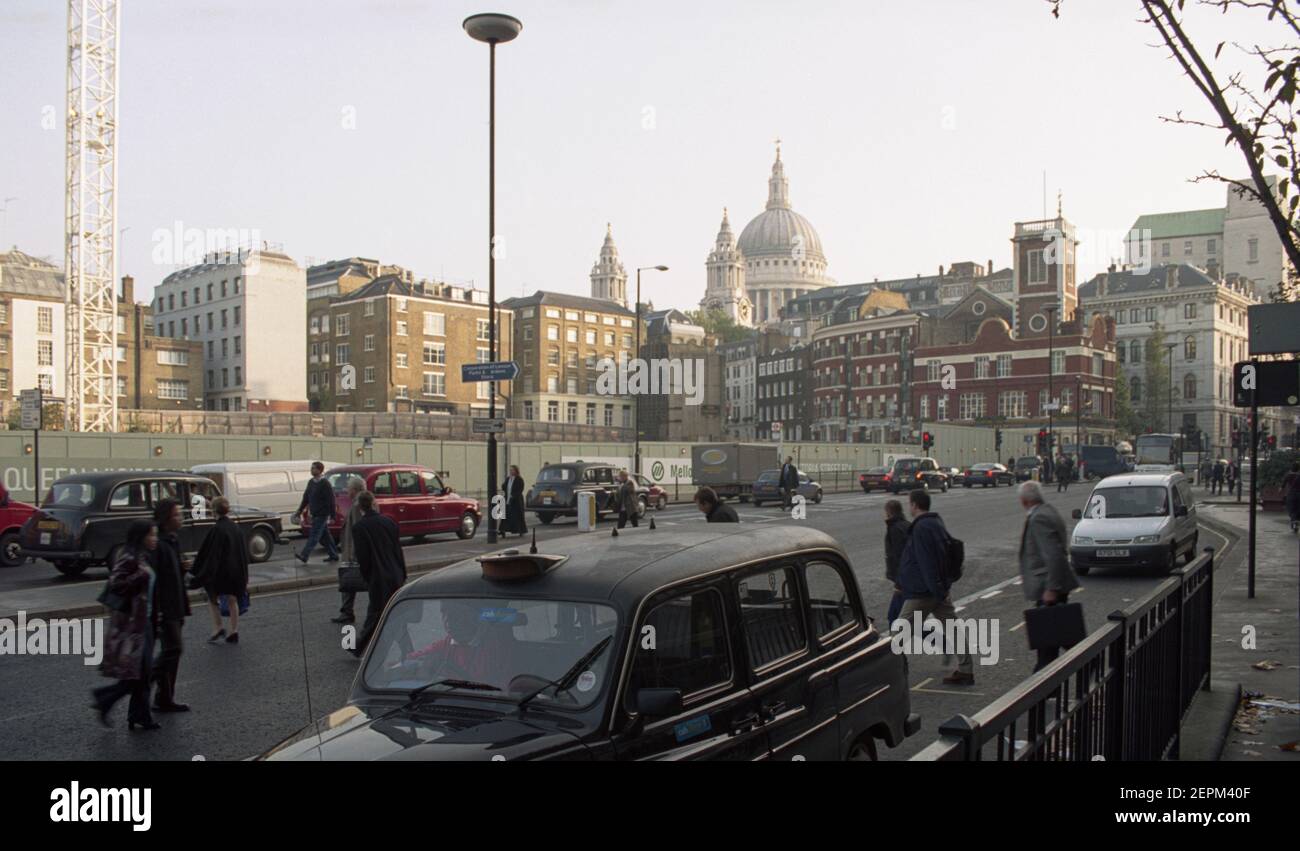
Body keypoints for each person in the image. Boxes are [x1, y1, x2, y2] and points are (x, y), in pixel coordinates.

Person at [897, 488, 973, 685]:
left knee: (899, 632)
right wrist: (943, 588)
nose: (909, 507)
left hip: (924, 591)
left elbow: (927, 563)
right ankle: (966, 670)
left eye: (910, 504)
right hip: (939, 588)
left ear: (914, 505)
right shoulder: (936, 522)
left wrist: (938, 591)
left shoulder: (921, 528)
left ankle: (891, 675)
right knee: (953, 629)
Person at [92, 521, 161, 731]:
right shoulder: (128, 557)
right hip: (133, 625)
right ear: (141, 536)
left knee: (143, 672)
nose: (155, 539)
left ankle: (131, 711)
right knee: (141, 672)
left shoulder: (142, 556)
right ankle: (106, 698)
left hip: (145, 620)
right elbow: (116, 583)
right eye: (152, 535)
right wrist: (140, 575)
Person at [1017, 480, 1080, 672]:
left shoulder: (1039, 518)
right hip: (1053, 585)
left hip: (1048, 587)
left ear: (1024, 501)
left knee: (1049, 642)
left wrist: (1051, 588)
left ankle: (1043, 681)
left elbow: (1053, 554)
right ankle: (1088, 659)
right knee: (1057, 637)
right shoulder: (1048, 510)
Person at [350, 490, 408, 656]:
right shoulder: (389, 522)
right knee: (393, 612)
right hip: (395, 573)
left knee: (376, 613)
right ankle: (408, 649)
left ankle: (360, 647)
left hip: (378, 576)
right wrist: (403, 573)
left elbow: (363, 558)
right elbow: (398, 550)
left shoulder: (359, 527)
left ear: (360, 507)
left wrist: (367, 578)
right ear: (374, 503)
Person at [189, 496, 249, 644]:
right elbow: (243, 552)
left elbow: (209, 554)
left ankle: (218, 627)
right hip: (236, 572)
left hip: (221, 573)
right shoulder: (236, 528)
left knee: (212, 598)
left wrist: (198, 573)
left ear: (213, 511)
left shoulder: (216, 529)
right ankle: (234, 630)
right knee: (232, 599)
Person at [150, 498, 190, 712]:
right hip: (166, 607)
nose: (180, 518)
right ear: (166, 519)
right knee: (173, 649)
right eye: (176, 514)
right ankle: (142, 679)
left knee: (172, 653)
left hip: (177, 603)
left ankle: (165, 697)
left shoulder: (173, 540)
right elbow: (155, 580)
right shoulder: (158, 544)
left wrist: (182, 568)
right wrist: (159, 611)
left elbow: (172, 573)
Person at [332, 477, 365, 625]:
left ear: (355, 490)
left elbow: (358, 530)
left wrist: (353, 554)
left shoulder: (358, 505)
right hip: (353, 550)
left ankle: (347, 612)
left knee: (348, 581)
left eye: (349, 489)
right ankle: (347, 611)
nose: (347, 491)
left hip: (353, 552)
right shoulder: (362, 502)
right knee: (351, 582)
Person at [295, 461, 340, 564]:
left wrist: (333, 515)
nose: (311, 470)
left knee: (314, 535)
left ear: (319, 470)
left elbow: (331, 500)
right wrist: (299, 510)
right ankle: (334, 555)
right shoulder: (311, 482)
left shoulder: (325, 483)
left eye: (313, 468)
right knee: (326, 536)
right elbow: (306, 498)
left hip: (322, 514)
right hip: (315, 513)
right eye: (311, 468)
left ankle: (304, 555)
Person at [883, 499, 910, 626]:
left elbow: (899, 557)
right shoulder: (907, 525)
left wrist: (899, 583)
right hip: (908, 579)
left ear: (889, 512)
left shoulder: (895, 529)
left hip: (904, 581)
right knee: (901, 617)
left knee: (894, 617)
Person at [501, 464, 527, 536]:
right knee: (506, 515)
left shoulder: (519, 479)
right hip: (508, 499)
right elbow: (504, 487)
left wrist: (514, 495)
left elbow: (520, 489)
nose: (511, 471)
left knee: (517, 516)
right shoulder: (508, 479)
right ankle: (503, 530)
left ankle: (520, 530)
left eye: (512, 470)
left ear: (516, 471)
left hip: (516, 500)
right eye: (510, 470)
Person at [1282, 462, 1300, 533]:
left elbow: (1283, 485)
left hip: (1291, 494)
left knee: (1291, 509)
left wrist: (1281, 490)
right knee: (1298, 509)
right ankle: (1296, 522)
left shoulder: (1288, 475)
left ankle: (1294, 521)